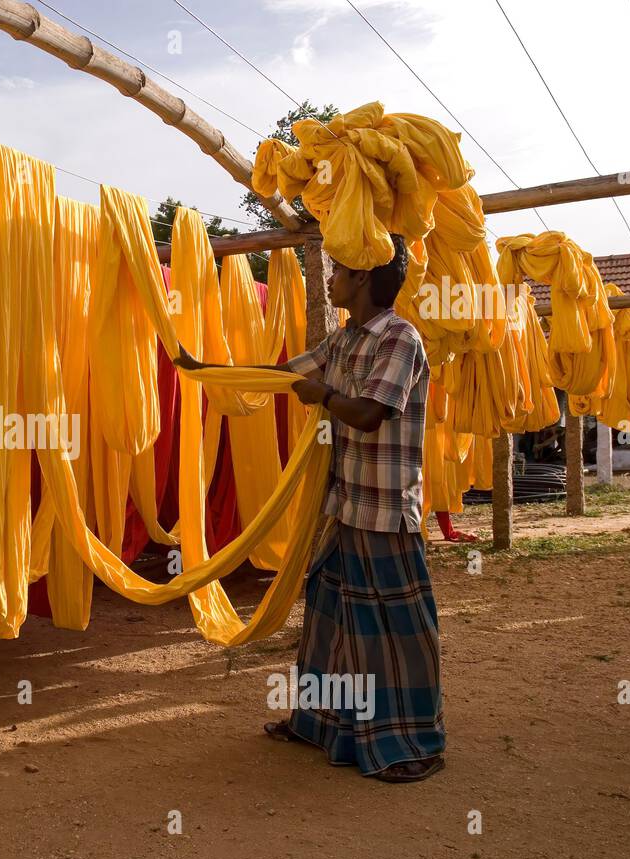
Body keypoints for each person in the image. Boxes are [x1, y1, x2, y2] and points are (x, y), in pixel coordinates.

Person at [175, 234, 445, 782]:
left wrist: (321, 396)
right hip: (344, 505)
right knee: (331, 617)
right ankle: (320, 721)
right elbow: (285, 374)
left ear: (364, 278)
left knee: (393, 628)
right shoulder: (344, 338)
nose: (330, 279)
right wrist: (206, 370)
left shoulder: (401, 338)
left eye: (339, 270)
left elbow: (370, 413)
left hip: (384, 510)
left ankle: (409, 741)